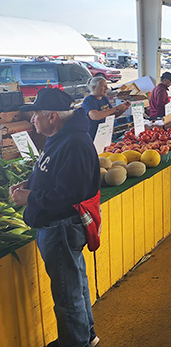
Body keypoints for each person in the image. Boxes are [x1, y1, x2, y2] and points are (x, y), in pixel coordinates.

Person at [10, 88, 100, 347]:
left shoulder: (74, 143)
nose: (32, 120)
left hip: (61, 226)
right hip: (60, 227)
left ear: (51, 116)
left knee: (67, 291)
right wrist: (31, 183)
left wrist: (29, 198)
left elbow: (68, 193)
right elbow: (55, 173)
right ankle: (86, 335)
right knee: (76, 282)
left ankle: (75, 342)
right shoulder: (60, 136)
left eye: (35, 114)